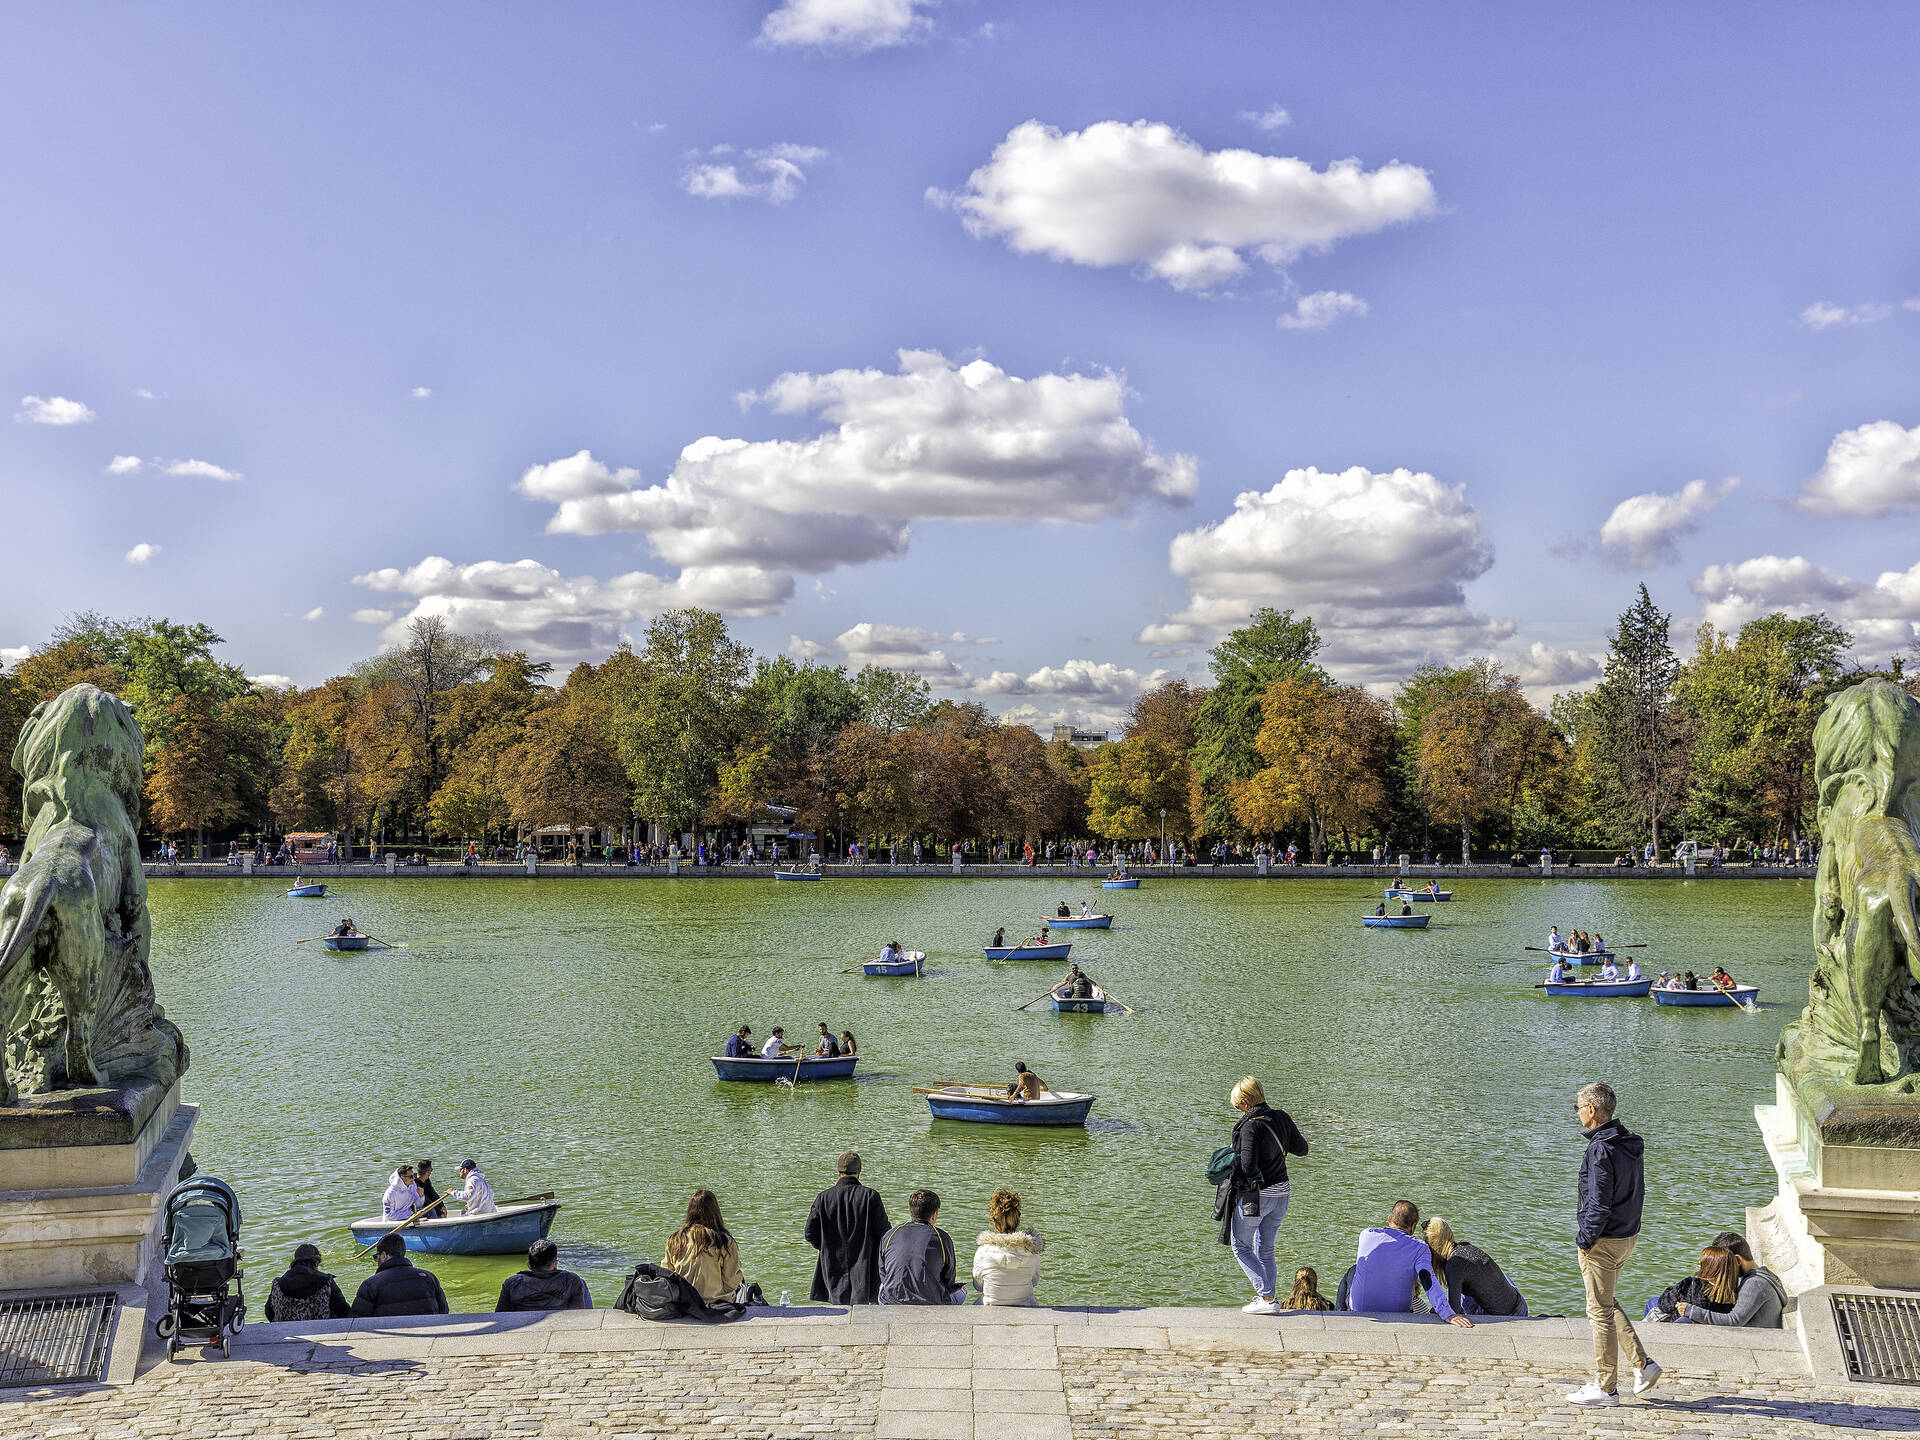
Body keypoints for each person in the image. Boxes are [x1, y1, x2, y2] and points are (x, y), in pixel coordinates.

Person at [1569, 1081, 1659, 1407]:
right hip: (1627, 1236)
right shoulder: (1628, 1142)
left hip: (1604, 1242)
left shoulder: (1600, 1149)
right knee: (1606, 1302)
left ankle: (1606, 1388)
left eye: (1578, 1107)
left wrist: (1585, 1239)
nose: (1577, 1113)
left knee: (1599, 1313)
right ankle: (1643, 1365)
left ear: (1591, 1110)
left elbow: (1599, 1202)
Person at [1219, 1077, 1310, 1314]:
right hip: (1282, 1194)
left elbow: (1248, 1167)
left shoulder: (1250, 1126)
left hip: (1257, 1197)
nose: (1239, 1111)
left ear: (1246, 1102)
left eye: (1239, 1107)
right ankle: (1268, 1299)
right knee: (1266, 1248)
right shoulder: (1281, 1117)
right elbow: (1302, 1149)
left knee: (1241, 1246)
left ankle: (1267, 1298)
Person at [1350, 1201, 1471, 1326]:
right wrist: (1447, 1313)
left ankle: (1339, 1310)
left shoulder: (1365, 1235)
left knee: (1353, 1271)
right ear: (1413, 1227)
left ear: (1389, 1219)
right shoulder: (1419, 1248)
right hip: (1398, 1312)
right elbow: (1427, 1279)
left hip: (1360, 1309)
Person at [806, 1152, 891, 1302]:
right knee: (863, 1308)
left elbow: (810, 1233)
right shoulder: (870, 1196)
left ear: (838, 1172)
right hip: (865, 1266)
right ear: (859, 1172)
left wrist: (826, 1247)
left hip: (832, 1264)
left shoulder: (823, 1198)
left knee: (838, 1307)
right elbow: (885, 1233)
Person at [1668, 1233, 1786, 1328]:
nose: (1718, 1269)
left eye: (1721, 1263)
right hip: (1747, 1334)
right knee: (1658, 1300)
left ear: (1738, 1260)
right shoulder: (1762, 1276)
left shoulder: (1755, 1283)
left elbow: (1733, 1320)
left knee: (1684, 1321)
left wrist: (1691, 1310)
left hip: (1749, 1340)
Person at [1425, 1217, 1526, 1316]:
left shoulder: (1454, 1264)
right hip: (1520, 1303)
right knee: (1471, 1280)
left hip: (1507, 1316)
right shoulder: (1465, 1246)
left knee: (1461, 1294)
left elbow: (1454, 1311)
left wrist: (1439, 1308)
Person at [661, 1190, 746, 1305]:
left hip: (684, 1305)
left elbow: (666, 1276)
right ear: (715, 1211)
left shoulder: (675, 1240)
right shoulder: (724, 1242)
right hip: (716, 1304)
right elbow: (731, 1283)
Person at [879, 1188, 961, 1305]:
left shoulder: (891, 1234)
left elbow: (883, 1271)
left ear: (911, 1212)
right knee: (962, 1291)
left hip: (891, 1301)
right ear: (934, 1215)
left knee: (883, 1287)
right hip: (931, 1303)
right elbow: (949, 1278)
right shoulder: (942, 1238)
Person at [970, 1188, 1045, 1306]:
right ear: (1017, 1223)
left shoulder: (983, 1251)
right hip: (1027, 1306)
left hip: (990, 1306)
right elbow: (1034, 1282)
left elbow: (978, 1286)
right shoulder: (1031, 1249)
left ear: (995, 1225)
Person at [351, 1232, 450, 1316]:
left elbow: (356, 1321)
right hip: (429, 1331)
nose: (377, 1261)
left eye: (377, 1257)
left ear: (384, 1255)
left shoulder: (370, 1285)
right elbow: (444, 1311)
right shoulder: (429, 1278)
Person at [1646, 1244, 1740, 1324]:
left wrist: (1673, 1291)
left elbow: (1665, 1305)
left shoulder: (1692, 1284)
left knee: (1653, 1300)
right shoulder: (1734, 1294)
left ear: (1710, 1268)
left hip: (1674, 1326)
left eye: (1703, 1262)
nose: (1699, 1263)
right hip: (1707, 1328)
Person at [497, 1238, 593, 1311]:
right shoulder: (572, 1280)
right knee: (581, 1283)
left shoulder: (511, 1283)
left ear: (528, 1264)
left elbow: (500, 1315)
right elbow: (580, 1315)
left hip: (521, 1328)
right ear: (555, 1264)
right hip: (563, 1326)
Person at [265, 1243, 352, 1320]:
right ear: (316, 1262)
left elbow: (269, 1313)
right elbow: (343, 1310)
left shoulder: (277, 1284)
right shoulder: (326, 1281)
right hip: (319, 1330)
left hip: (285, 1329)